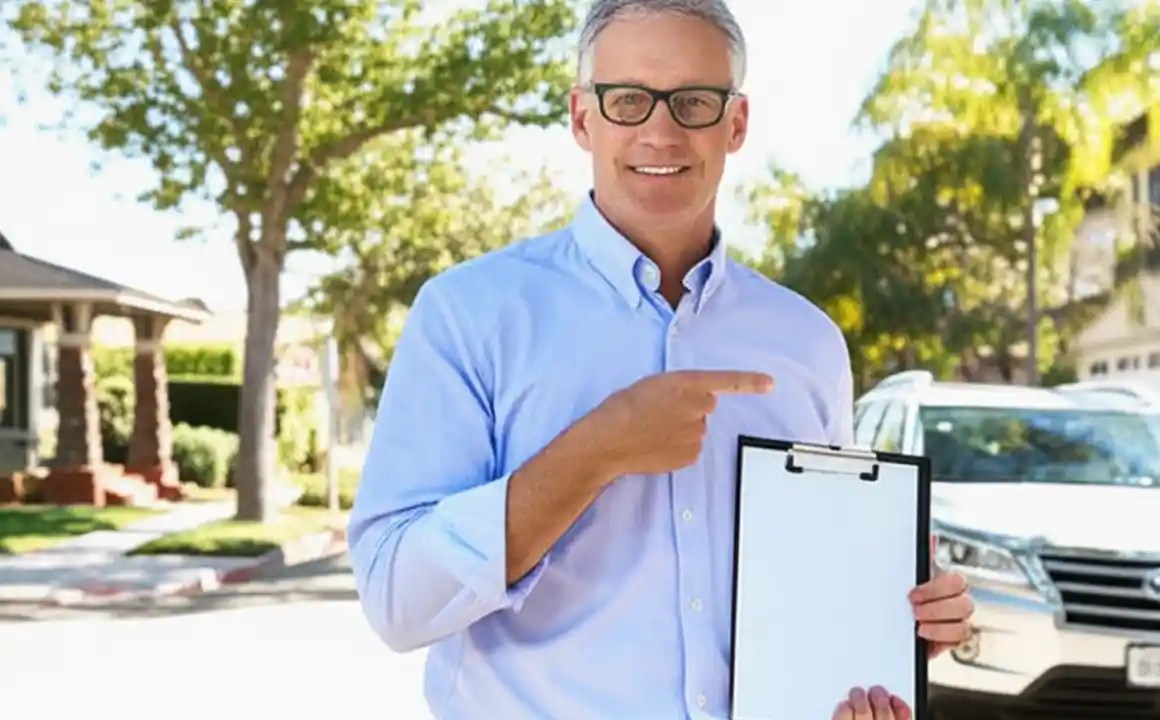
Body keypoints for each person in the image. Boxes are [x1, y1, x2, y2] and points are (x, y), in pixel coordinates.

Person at [348, 1, 974, 718]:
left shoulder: (806, 342)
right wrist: (595, 450)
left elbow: (811, 586)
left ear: (735, 124)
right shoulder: (469, 314)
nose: (661, 129)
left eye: (695, 101)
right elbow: (397, 599)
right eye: (629, 99)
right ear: (583, 117)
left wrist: (887, 625)